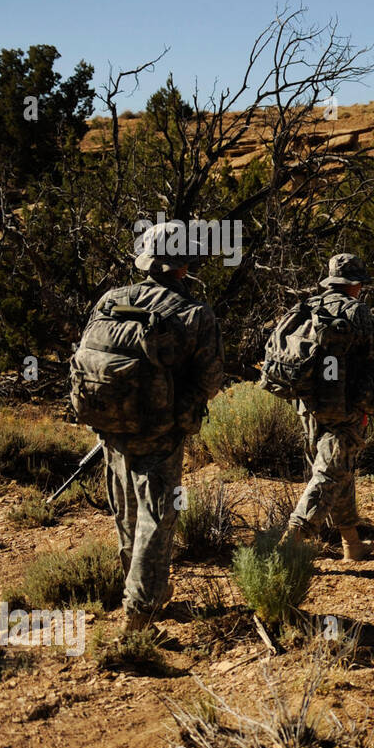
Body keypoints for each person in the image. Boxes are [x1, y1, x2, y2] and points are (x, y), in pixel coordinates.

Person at [70, 221, 225, 633]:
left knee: (127, 513)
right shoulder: (194, 312)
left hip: (110, 427)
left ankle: (139, 587)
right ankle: (139, 616)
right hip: (161, 431)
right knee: (158, 516)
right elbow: (210, 381)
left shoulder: (111, 299)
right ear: (183, 266)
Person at [279, 253, 374, 560]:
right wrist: (370, 404)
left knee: (339, 469)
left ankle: (351, 542)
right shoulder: (358, 312)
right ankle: (292, 539)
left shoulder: (307, 307)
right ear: (354, 284)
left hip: (307, 406)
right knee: (330, 473)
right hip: (347, 406)